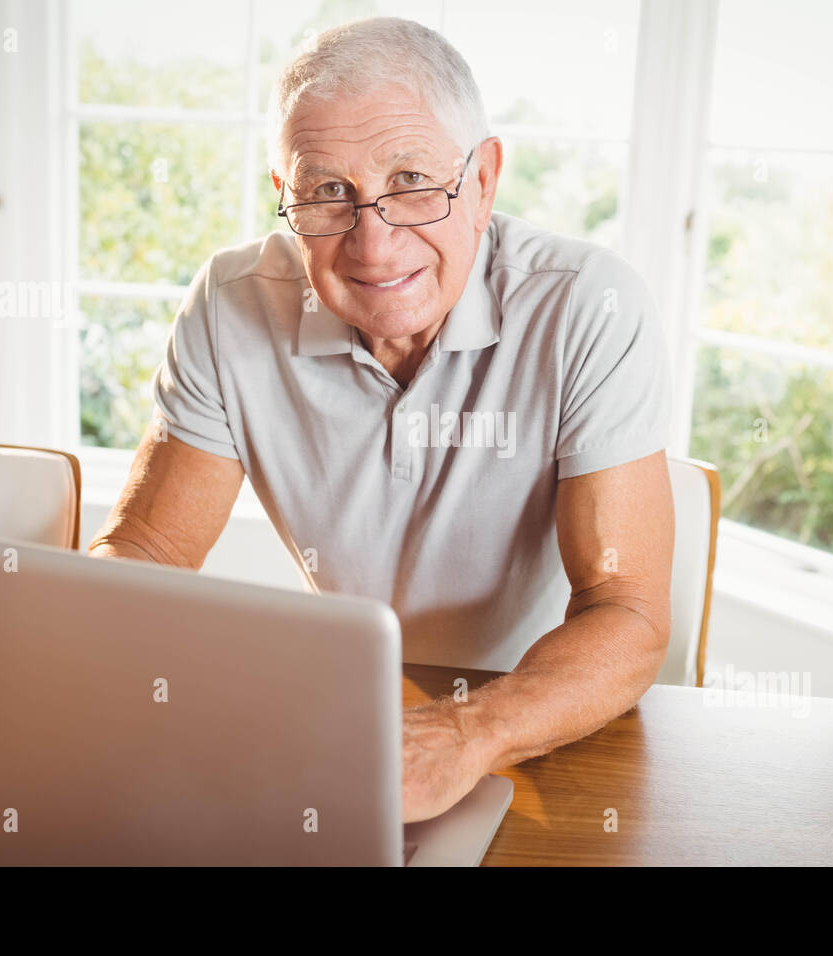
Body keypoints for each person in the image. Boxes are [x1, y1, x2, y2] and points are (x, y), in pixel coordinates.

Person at [88, 16, 675, 823]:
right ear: (283, 197)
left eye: (410, 182)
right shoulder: (230, 307)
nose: (372, 242)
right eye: (328, 191)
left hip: (542, 727)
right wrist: (72, 657)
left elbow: (628, 612)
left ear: (484, 180)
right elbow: (149, 549)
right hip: (341, 722)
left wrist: (466, 734)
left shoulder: (589, 306)